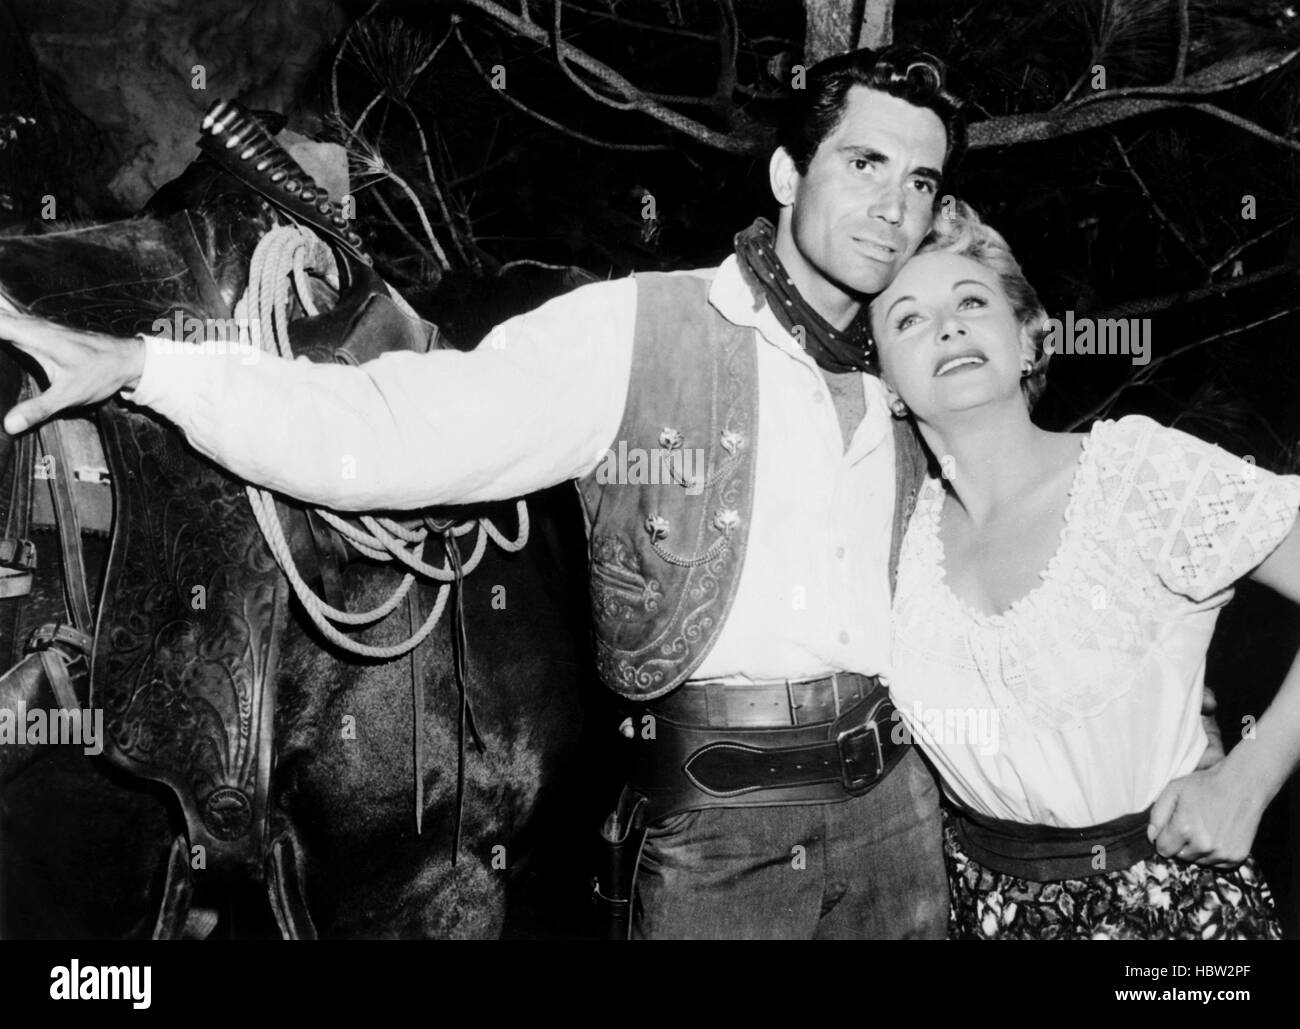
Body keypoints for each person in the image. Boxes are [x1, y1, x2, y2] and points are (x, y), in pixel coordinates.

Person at [0, 46, 969, 940]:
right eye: (864, 164)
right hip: (727, 835)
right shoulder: (637, 334)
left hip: (899, 814)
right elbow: (389, 430)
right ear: (789, 176)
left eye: (918, 180)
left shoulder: (918, 372)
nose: (892, 204)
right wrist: (146, 367)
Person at [868, 201, 1300, 939]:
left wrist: (1248, 780)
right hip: (983, 915)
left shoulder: (1131, 472)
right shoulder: (898, 531)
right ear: (883, 384)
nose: (949, 326)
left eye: (972, 301)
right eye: (908, 319)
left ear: (1030, 338)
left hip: (1171, 919)